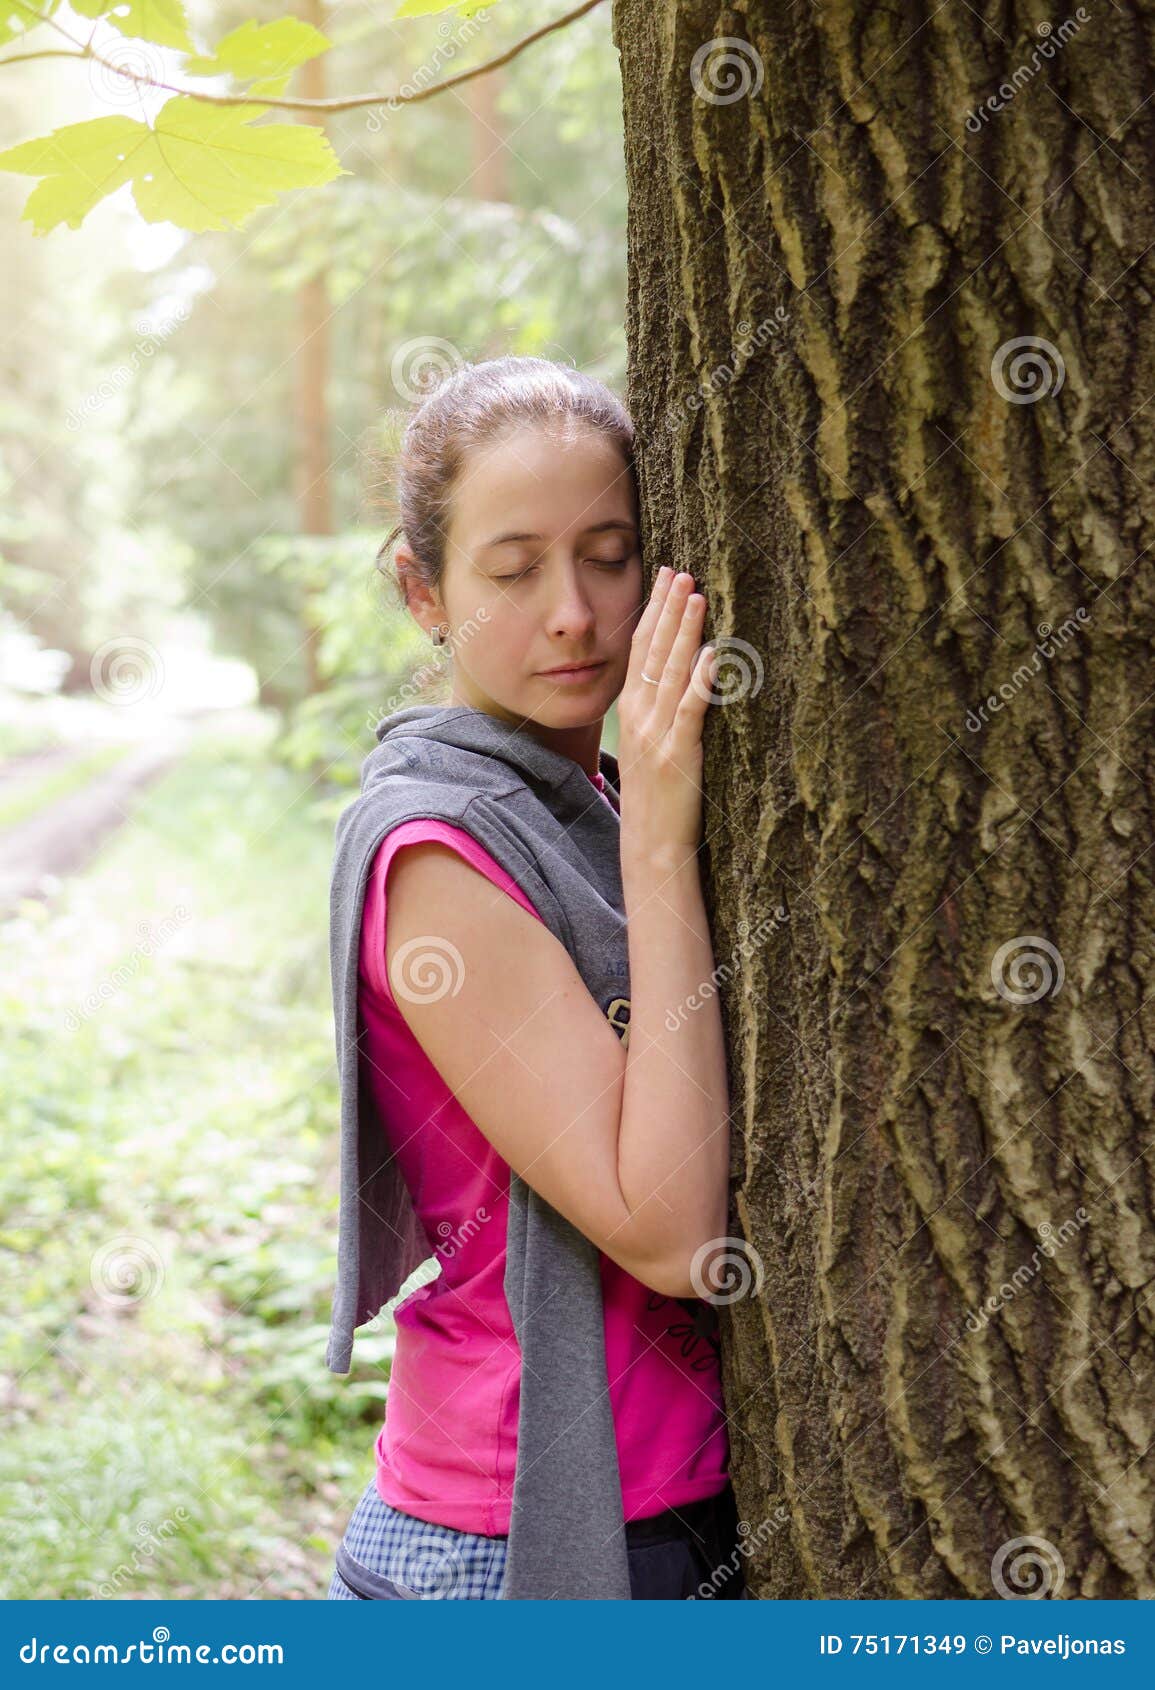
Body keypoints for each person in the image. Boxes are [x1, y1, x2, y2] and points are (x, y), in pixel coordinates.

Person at [325, 355, 746, 1600]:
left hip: (669, 1503)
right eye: (512, 570)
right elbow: (670, 1231)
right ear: (423, 591)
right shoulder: (437, 859)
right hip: (512, 1547)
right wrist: (662, 840)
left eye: (608, 555)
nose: (572, 611)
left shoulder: (581, 800)